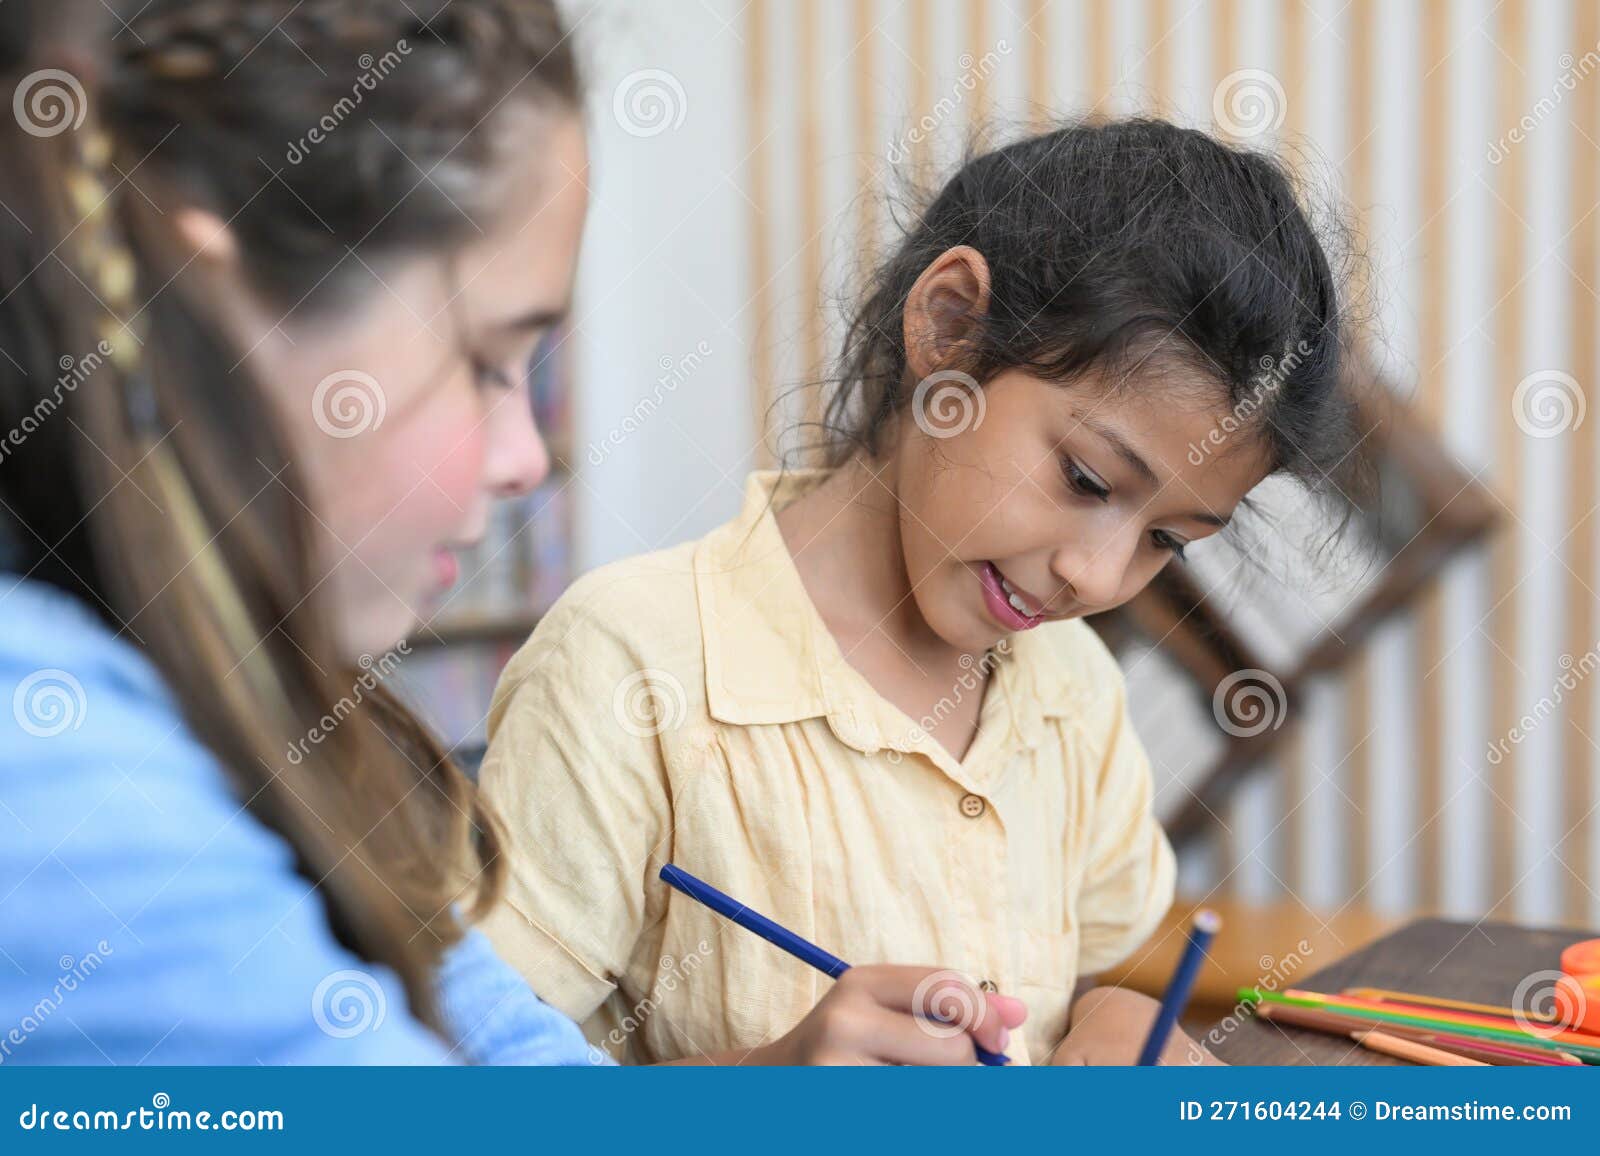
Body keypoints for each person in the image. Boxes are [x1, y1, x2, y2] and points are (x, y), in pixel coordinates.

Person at [0, 0, 1020, 1067]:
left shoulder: (285, 734)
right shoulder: (51, 769)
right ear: (203, 301)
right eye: (490, 361)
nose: (527, 456)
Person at [476, 117, 1365, 1064]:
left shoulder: (1070, 691)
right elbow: (451, 1087)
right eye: (1088, 482)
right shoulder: (631, 665)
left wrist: (1117, 1018)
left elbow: (1112, 967)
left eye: (1167, 543)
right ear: (947, 328)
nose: (1098, 578)